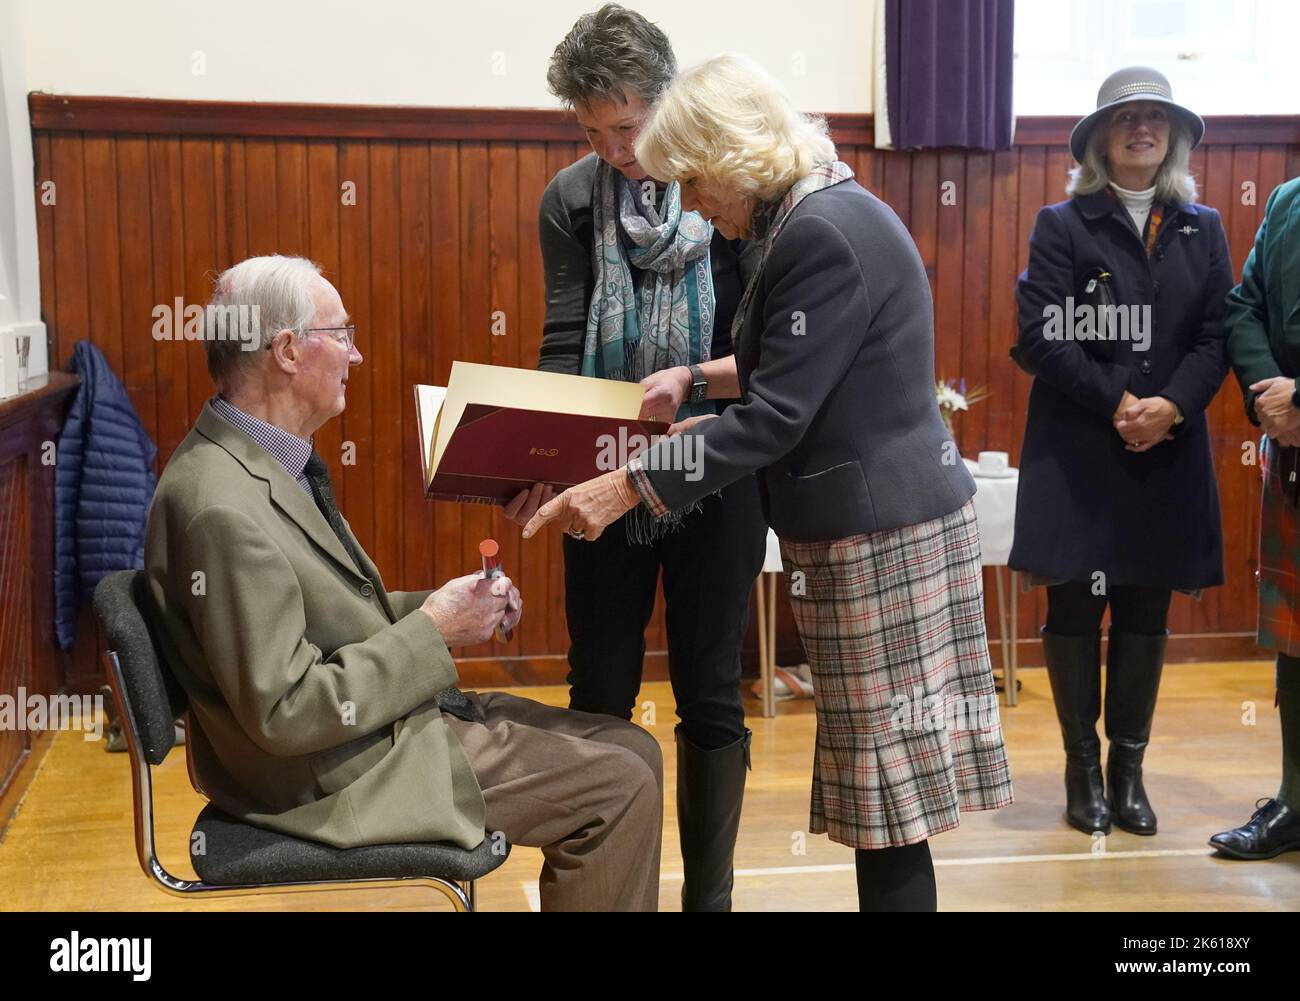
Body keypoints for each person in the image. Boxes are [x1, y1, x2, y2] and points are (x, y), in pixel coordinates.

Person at [524, 55, 1013, 912]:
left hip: (882, 539)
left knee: (886, 798)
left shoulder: (818, 232)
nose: (698, 206)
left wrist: (629, 484)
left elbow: (773, 418)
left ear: (734, 155)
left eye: (698, 183)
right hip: (876, 530)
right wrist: (694, 378)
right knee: (883, 797)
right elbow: (777, 365)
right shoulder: (817, 214)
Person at [144, 254, 664, 911]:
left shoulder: (261, 458)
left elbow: (323, 617)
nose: (355, 356)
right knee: (619, 784)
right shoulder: (219, 505)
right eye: (341, 335)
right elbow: (284, 712)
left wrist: (446, 607)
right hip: (328, 778)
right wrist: (432, 630)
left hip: (369, 733)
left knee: (635, 746)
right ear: (286, 351)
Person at [503, 4, 766, 911]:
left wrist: (692, 393)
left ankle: (712, 899)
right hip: (603, 473)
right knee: (601, 685)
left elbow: (762, 353)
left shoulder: (726, 189)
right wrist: (536, 446)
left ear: (669, 99)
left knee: (711, 695)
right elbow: (564, 338)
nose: (613, 147)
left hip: (719, 470)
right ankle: (599, 894)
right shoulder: (571, 199)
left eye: (627, 125)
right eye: (592, 129)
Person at [1010, 66, 1231, 838]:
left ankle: (1127, 773)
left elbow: (1216, 335)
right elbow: (1040, 333)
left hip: (1166, 448)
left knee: (1145, 609)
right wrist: (1117, 400)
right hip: (1080, 450)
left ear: (1172, 136)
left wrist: (1170, 405)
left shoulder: (1204, 226)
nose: (1142, 127)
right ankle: (1082, 772)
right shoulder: (1061, 223)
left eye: (1155, 118)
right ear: (1101, 138)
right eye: (1125, 117)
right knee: (1073, 608)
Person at [1216, 175, 1300, 859]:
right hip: (1292, 445)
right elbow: (1244, 306)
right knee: (1296, 637)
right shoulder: (1286, 200)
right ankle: (1296, 800)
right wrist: (1273, 396)